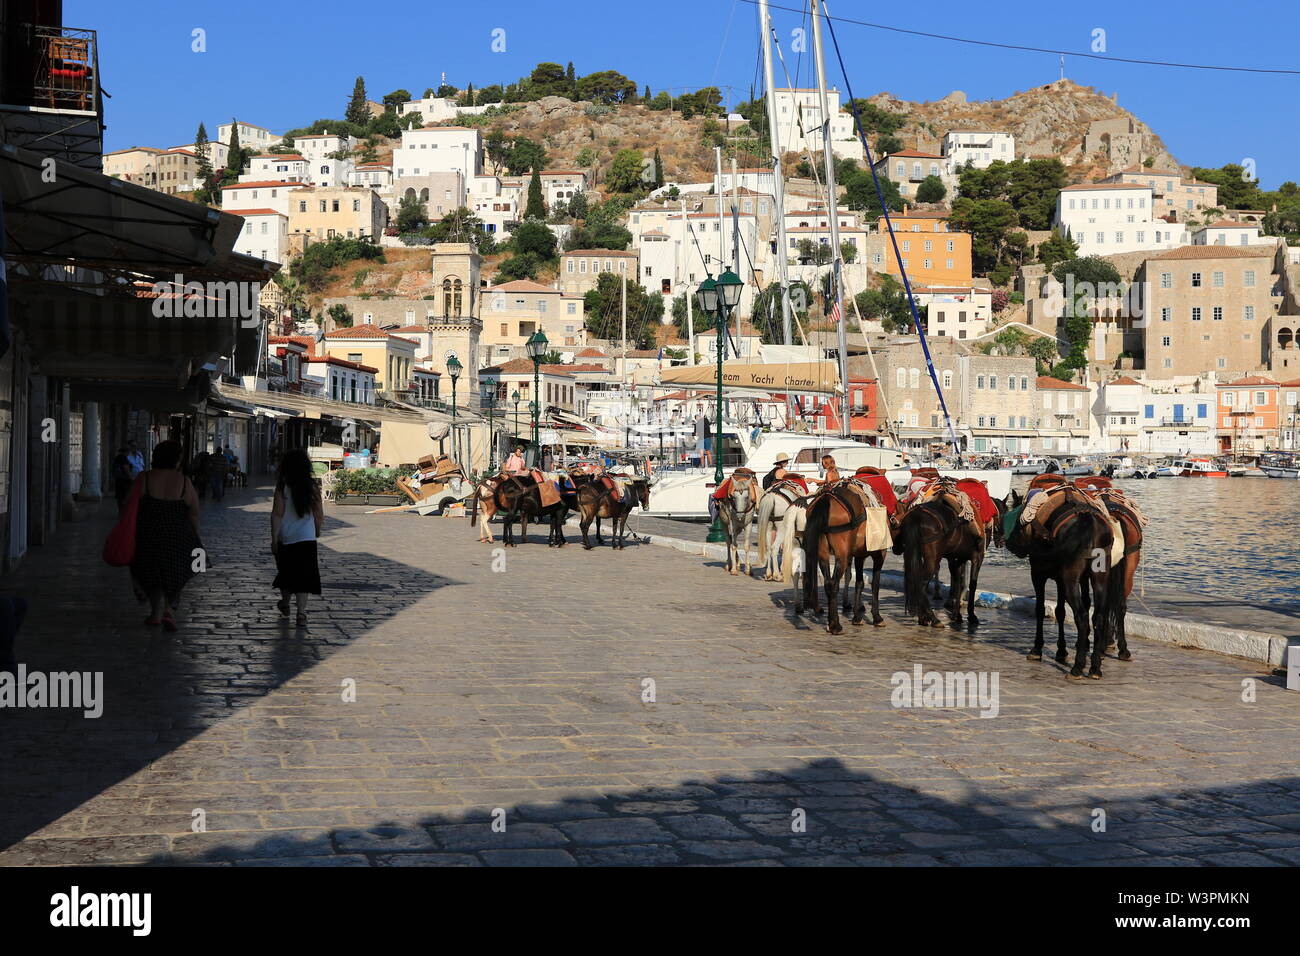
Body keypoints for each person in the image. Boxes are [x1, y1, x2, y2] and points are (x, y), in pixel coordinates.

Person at [129, 439, 202, 632]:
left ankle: (155, 613)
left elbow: (129, 507)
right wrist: (194, 535)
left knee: (152, 574)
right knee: (173, 573)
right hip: (178, 536)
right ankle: (168, 610)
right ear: (177, 460)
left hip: (148, 535)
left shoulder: (144, 478)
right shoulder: (184, 481)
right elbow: (194, 511)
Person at [271, 448, 323, 628]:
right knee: (304, 577)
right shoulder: (312, 486)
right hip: (306, 538)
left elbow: (277, 514)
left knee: (286, 574)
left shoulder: (282, 486)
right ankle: (301, 613)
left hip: (286, 537)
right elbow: (318, 514)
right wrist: (316, 531)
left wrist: (274, 538)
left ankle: (285, 603)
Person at [111, 446, 133, 513]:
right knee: (125, 497)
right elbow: (126, 468)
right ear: (126, 452)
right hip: (124, 481)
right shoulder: (124, 458)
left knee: (120, 497)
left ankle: (120, 512)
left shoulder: (117, 458)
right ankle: (123, 512)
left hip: (118, 480)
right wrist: (131, 478)